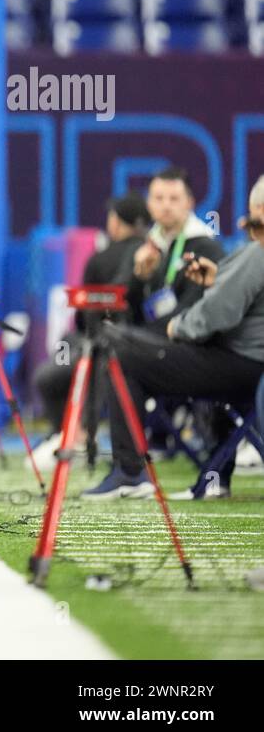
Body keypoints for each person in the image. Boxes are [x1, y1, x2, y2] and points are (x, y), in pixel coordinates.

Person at [83, 176, 264, 499]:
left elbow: (217, 314)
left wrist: (176, 328)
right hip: (244, 361)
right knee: (122, 343)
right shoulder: (150, 246)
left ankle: (129, 471)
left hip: (239, 363)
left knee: (122, 356)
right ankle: (211, 476)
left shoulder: (250, 251)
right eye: (159, 197)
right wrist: (214, 280)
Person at [32, 193, 149, 435]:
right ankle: (78, 431)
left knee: (54, 369)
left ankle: (67, 434)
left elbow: (81, 319)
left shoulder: (99, 259)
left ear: (115, 221)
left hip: (103, 348)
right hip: (135, 342)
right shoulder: (153, 254)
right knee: (67, 351)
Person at [127, 166, 223, 332]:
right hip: (147, 338)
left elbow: (192, 309)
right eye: (159, 198)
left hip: (186, 342)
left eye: (174, 199)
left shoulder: (207, 247)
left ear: (189, 203)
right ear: (148, 203)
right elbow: (129, 307)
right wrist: (140, 277)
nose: (166, 205)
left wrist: (143, 336)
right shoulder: (143, 246)